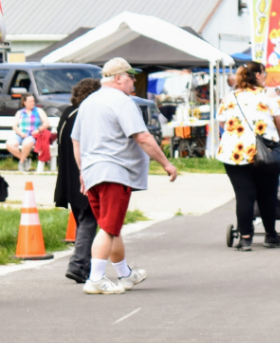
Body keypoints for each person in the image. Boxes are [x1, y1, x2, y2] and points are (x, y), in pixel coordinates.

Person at [72, 58, 178, 295]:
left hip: (93, 172)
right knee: (109, 228)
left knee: (112, 226)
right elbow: (142, 137)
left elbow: (76, 140)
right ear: (118, 78)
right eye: (130, 76)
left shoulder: (89, 102)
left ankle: (125, 274)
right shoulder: (122, 101)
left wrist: (82, 171)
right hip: (115, 172)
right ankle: (96, 278)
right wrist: (166, 163)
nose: (133, 81)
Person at [217, 63, 280, 251]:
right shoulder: (270, 95)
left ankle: (245, 238)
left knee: (244, 195)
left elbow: (222, 122)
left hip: (234, 153)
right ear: (257, 75)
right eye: (264, 73)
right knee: (267, 194)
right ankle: (270, 235)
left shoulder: (230, 97)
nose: (265, 76)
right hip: (264, 151)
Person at [55, 77, 102, 283]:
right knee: (89, 219)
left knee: (82, 219)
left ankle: (86, 266)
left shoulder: (67, 113)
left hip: (66, 176)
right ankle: (78, 264)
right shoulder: (86, 115)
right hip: (83, 174)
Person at [7, 93, 48, 172]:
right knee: (9, 144)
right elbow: (14, 126)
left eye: (33, 101)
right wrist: (21, 133)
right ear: (24, 102)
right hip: (21, 134)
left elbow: (46, 123)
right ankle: (25, 160)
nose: (32, 103)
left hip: (33, 135)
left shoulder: (39, 111)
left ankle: (21, 162)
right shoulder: (20, 112)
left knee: (26, 143)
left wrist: (38, 130)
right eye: (30, 101)